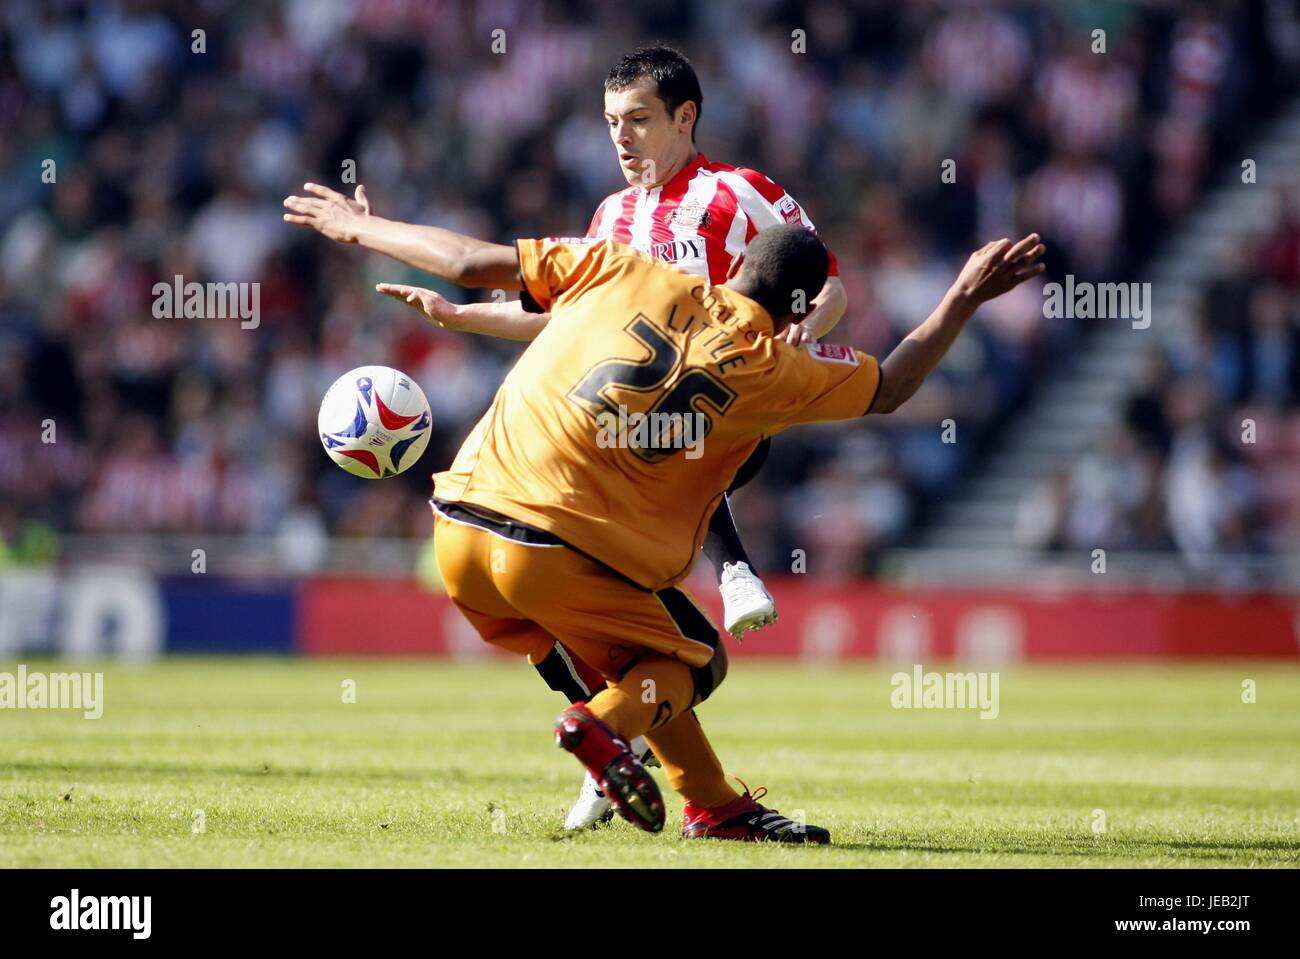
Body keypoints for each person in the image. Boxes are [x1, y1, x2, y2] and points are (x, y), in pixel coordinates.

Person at [283, 177, 1045, 839]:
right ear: (801, 307)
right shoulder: (778, 368)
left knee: (653, 646)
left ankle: (714, 804)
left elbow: (468, 262)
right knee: (697, 656)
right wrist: (963, 296)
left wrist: (358, 228)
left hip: (458, 530)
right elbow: (896, 385)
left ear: (737, 267)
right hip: (554, 553)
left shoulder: (622, 266)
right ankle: (601, 728)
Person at [285, 44, 850, 830]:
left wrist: (803, 329)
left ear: (685, 117)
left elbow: (826, 280)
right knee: (647, 636)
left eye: (639, 120)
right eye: (612, 121)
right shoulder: (610, 219)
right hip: (605, 460)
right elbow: (565, 323)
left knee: (669, 493)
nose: (621, 137)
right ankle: (638, 746)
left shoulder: (740, 192)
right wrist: (462, 317)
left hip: (704, 418)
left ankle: (721, 595)